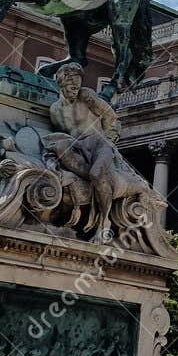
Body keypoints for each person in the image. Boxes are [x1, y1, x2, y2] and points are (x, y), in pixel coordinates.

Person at [44, 64, 121, 241]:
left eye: (77, 86)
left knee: (95, 173)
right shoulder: (55, 110)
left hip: (99, 144)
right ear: (61, 82)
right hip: (77, 147)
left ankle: (104, 222)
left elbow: (110, 116)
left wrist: (109, 138)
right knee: (60, 149)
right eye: (71, 86)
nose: (74, 89)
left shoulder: (85, 95)